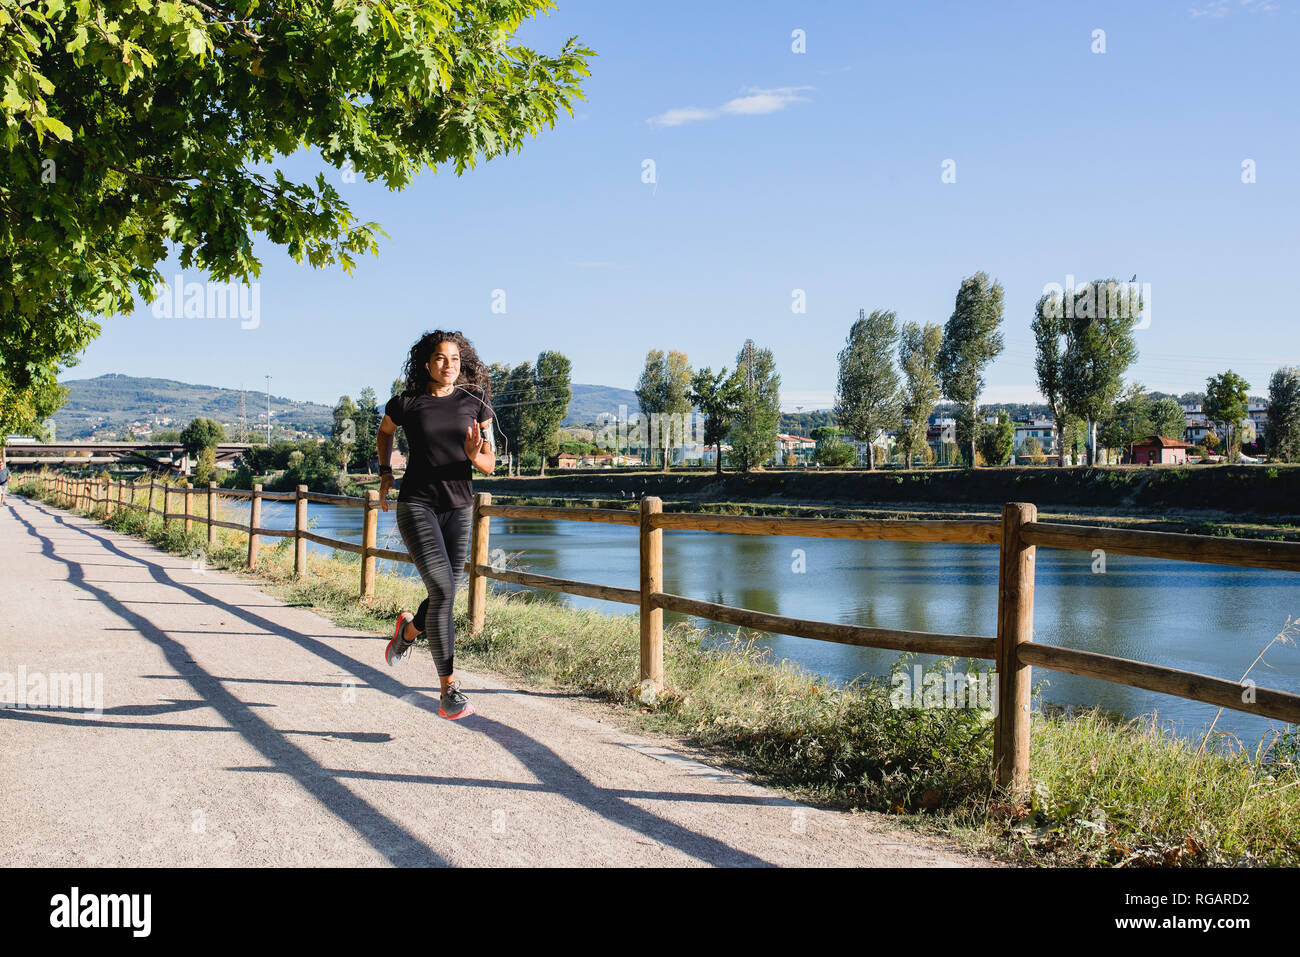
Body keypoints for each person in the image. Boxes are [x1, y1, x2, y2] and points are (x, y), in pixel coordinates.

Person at [377, 330, 497, 720]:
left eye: (456, 359)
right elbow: (384, 433)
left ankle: (408, 632)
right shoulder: (407, 403)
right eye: (441, 359)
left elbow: (490, 465)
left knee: (444, 594)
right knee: (444, 590)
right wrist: (384, 474)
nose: (449, 366)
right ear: (427, 364)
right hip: (417, 505)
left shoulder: (476, 403)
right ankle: (449, 691)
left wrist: (472, 455)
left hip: (459, 507)